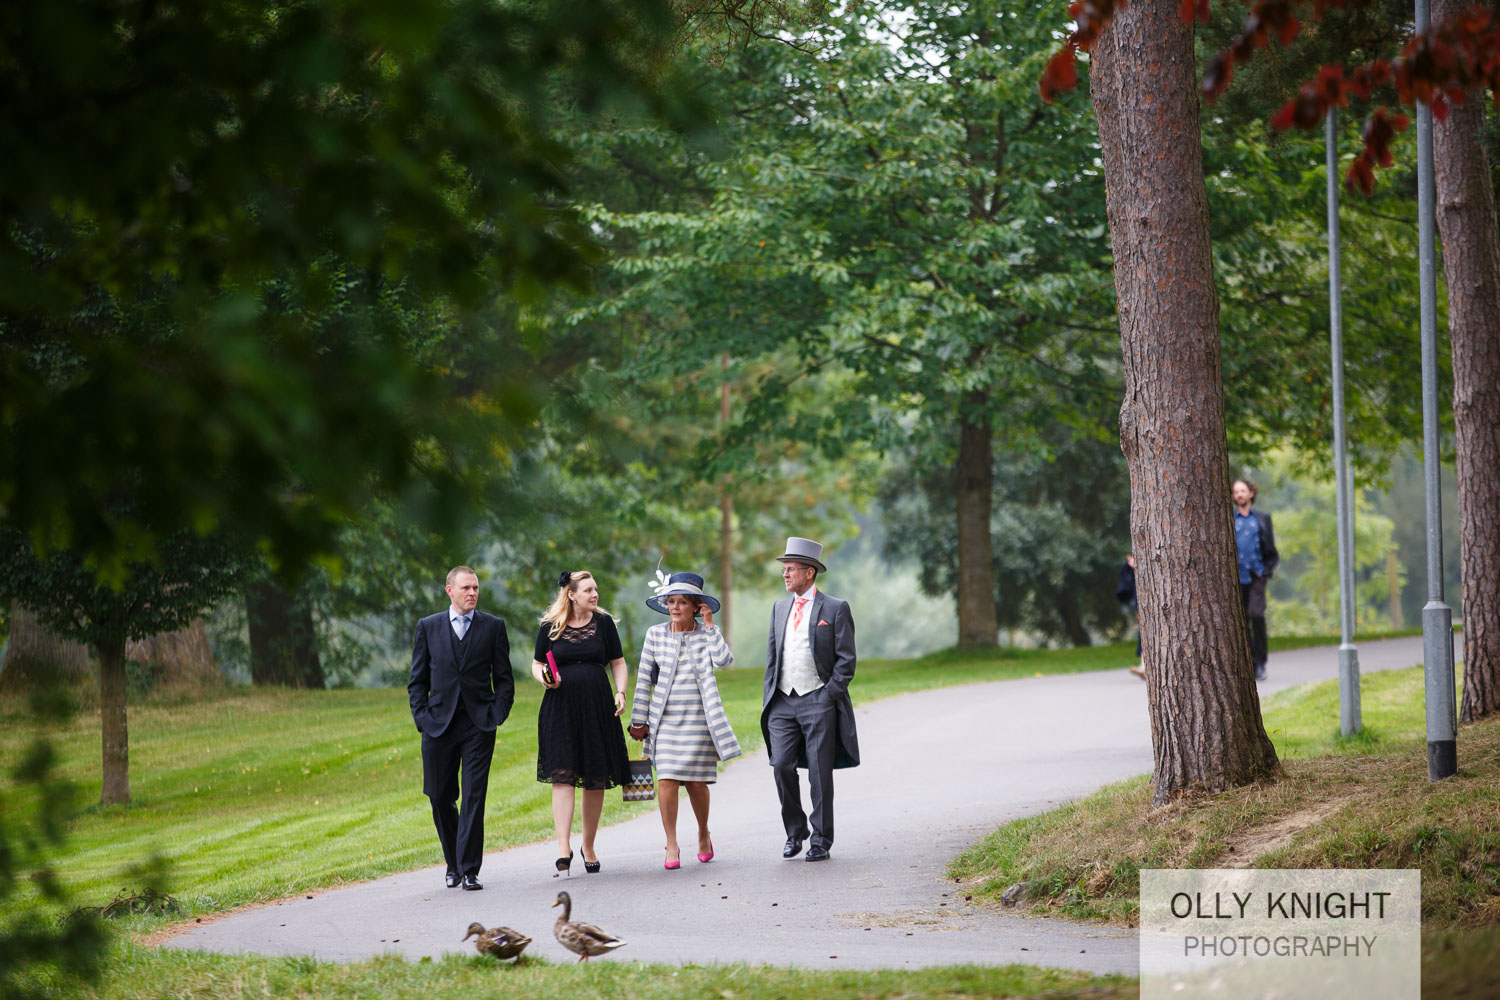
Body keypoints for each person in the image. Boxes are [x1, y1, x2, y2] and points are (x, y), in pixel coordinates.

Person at [407, 565, 515, 891]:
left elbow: (505, 679)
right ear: (449, 590)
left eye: (476, 588)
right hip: (438, 724)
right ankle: (452, 862)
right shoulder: (428, 627)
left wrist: (496, 713)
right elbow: (417, 680)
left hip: (478, 724)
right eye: (466, 588)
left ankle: (469, 870)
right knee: (439, 796)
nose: (472, 593)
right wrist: (422, 718)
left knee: (473, 795)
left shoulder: (493, 627)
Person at [628, 571, 743, 870]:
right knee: (666, 779)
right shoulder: (655, 635)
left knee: (695, 783)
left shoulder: (706, 633)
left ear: (696, 605)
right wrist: (639, 720)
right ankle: (672, 843)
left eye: (682, 602)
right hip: (664, 720)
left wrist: (710, 626)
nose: (675, 607)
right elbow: (643, 680)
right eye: (671, 602)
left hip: (699, 719)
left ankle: (703, 832)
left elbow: (724, 660)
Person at [761, 536, 859, 863]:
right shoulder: (778, 608)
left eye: (791, 569)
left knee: (819, 772)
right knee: (781, 767)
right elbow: (773, 657)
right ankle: (795, 830)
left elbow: (846, 660)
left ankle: (821, 839)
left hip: (818, 698)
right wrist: (770, 696)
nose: (785, 575)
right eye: (784, 569)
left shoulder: (835, 608)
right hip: (782, 702)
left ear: (810, 573)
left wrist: (830, 694)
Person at [531, 570, 631, 874]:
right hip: (560, 707)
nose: (595, 594)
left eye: (595, 589)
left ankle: (588, 844)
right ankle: (563, 845)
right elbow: (537, 664)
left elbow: (618, 662)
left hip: (597, 706)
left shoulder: (603, 624)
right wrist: (546, 679)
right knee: (563, 775)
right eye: (588, 590)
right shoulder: (550, 626)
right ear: (572, 594)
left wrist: (621, 691)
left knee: (594, 776)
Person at [1232, 478, 1280, 681]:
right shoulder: (1230, 518)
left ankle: (1260, 662)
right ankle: (1248, 661)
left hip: (1257, 574)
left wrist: (1267, 570)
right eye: (1236, 492)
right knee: (1241, 621)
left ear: (1251, 493)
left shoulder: (1261, 518)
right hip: (1236, 578)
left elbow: (1270, 547)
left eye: (1242, 491)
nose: (1239, 495)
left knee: (1257, 615)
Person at [1117, 553, 1144, 680]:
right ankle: (1144, 666)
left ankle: (1144, 666)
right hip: (1141, 600)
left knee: (1145, 632)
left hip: (1145, 599)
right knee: (1144, 632)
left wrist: (1135, 566)